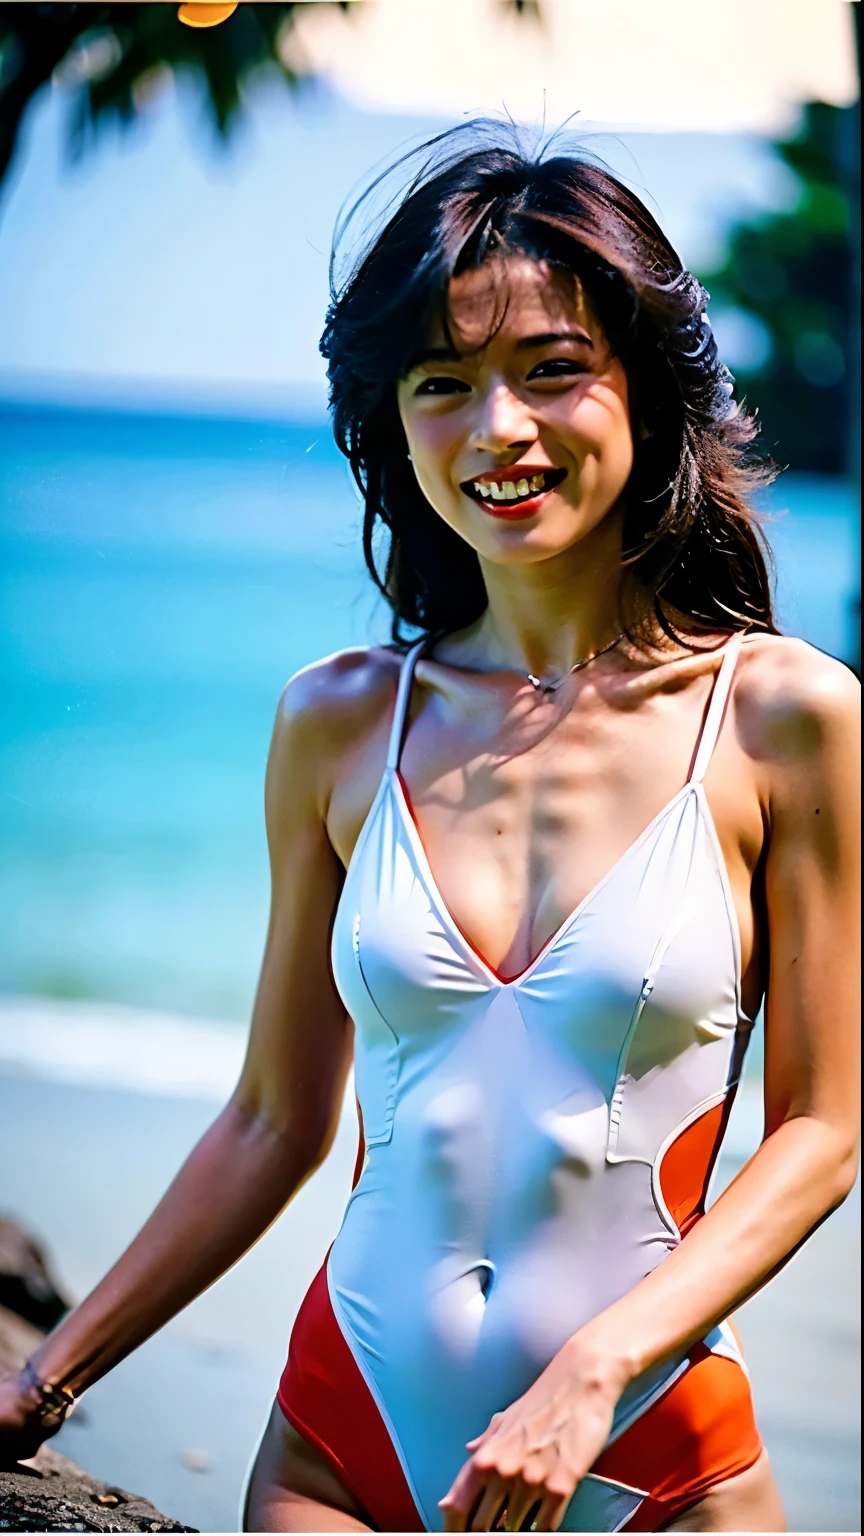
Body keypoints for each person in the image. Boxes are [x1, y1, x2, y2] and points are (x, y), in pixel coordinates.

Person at [0, 127, 859, 1534]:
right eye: (442, 384)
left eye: (553, 369)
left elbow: (823, 1130)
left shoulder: (783, 717)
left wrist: (594, 1371)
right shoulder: (339, 723)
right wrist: (42, 1378)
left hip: (650, 1454)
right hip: (345, 1443)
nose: (498, 430)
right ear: (393, 423)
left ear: (646, 385)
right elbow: (274, 1117)